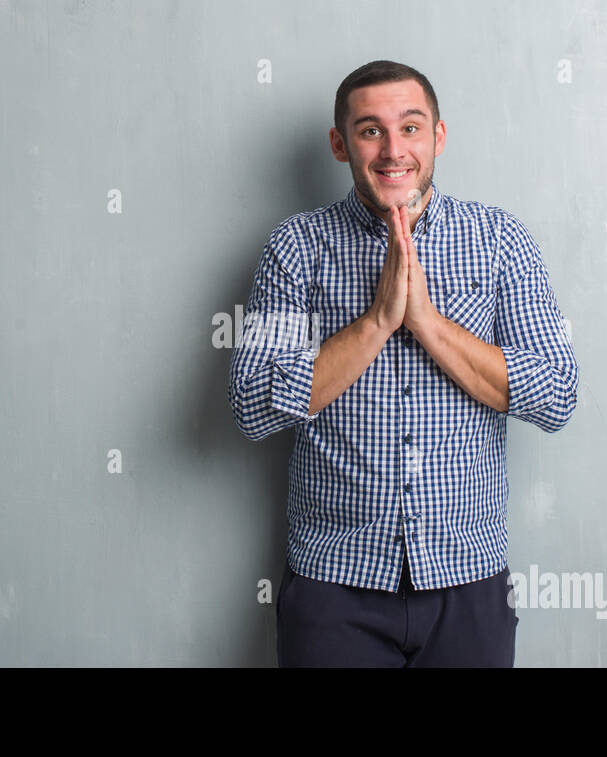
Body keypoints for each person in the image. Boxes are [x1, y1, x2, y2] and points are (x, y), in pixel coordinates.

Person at [227, 60, 579, 667]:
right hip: (332, 585)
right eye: (370, 130)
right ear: (340, 144)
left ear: (438, 136)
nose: (394, 150)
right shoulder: (295, 248)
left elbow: (555, 395)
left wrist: (429, 324)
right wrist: (376, 323)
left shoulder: (500, 241)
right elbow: (254, 404)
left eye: (411, 128)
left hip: (468, 581)